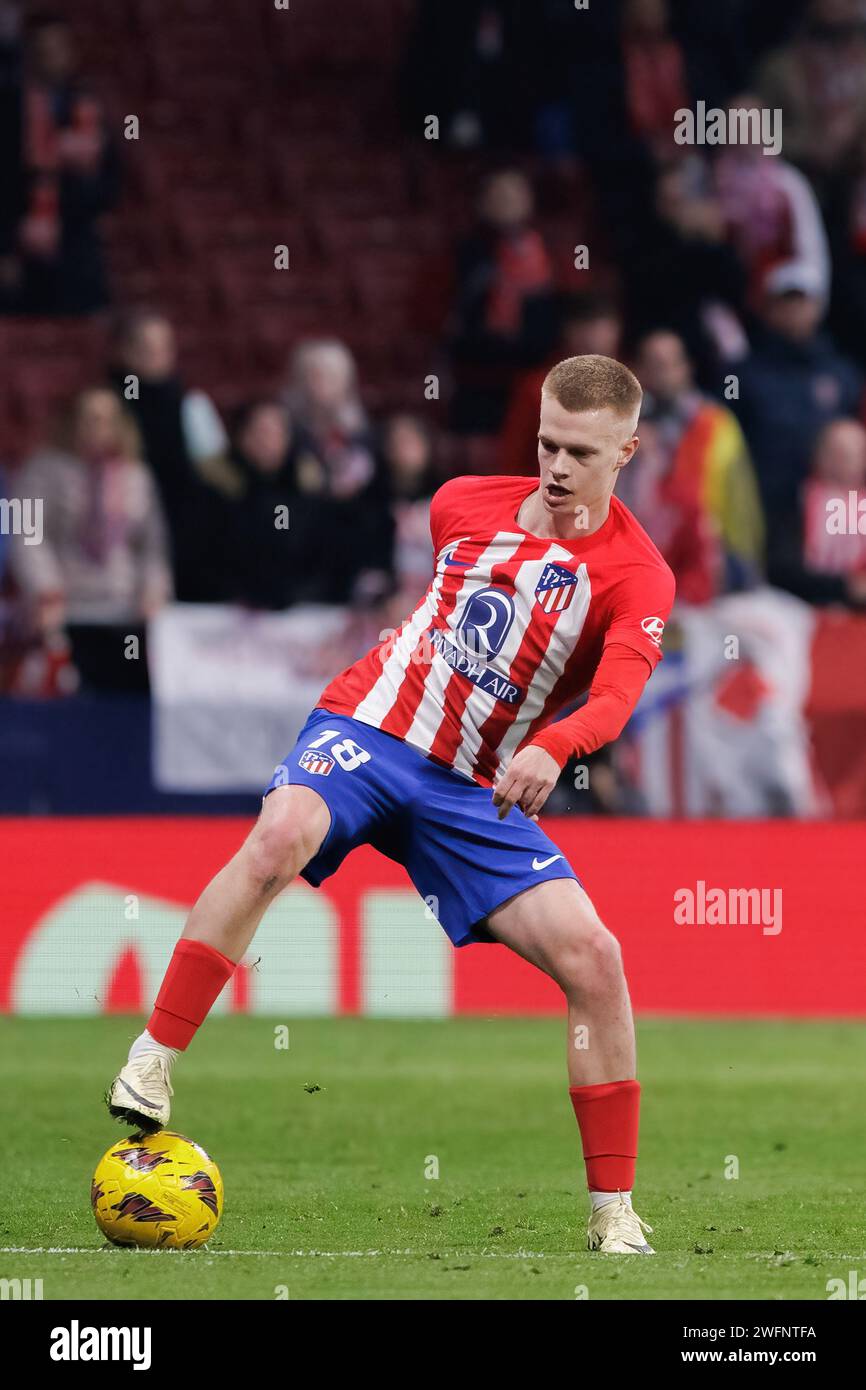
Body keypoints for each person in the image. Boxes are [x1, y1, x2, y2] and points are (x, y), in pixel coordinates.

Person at [107, 354, 675, 1257]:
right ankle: (153, 1058)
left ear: (627, 451)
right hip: (372, 730)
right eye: (546, 443)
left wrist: (552, 744)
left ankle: (613, 1212)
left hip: (471, 787)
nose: (557, 467)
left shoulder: (636, 577)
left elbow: (613, 700)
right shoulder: (464, 501)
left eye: (580, 452)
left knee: (596, 960)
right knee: (282, 833)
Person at [9, 387, 171, 691]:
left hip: (124, 610)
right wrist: (45, 589)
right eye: (90, 418)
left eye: (107, 419)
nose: (98, 427)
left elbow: (153, 545)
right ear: (72, 421)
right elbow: (26, 535)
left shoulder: (138, 476)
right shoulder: (41, 469)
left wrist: (153, 589)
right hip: (63, 611)